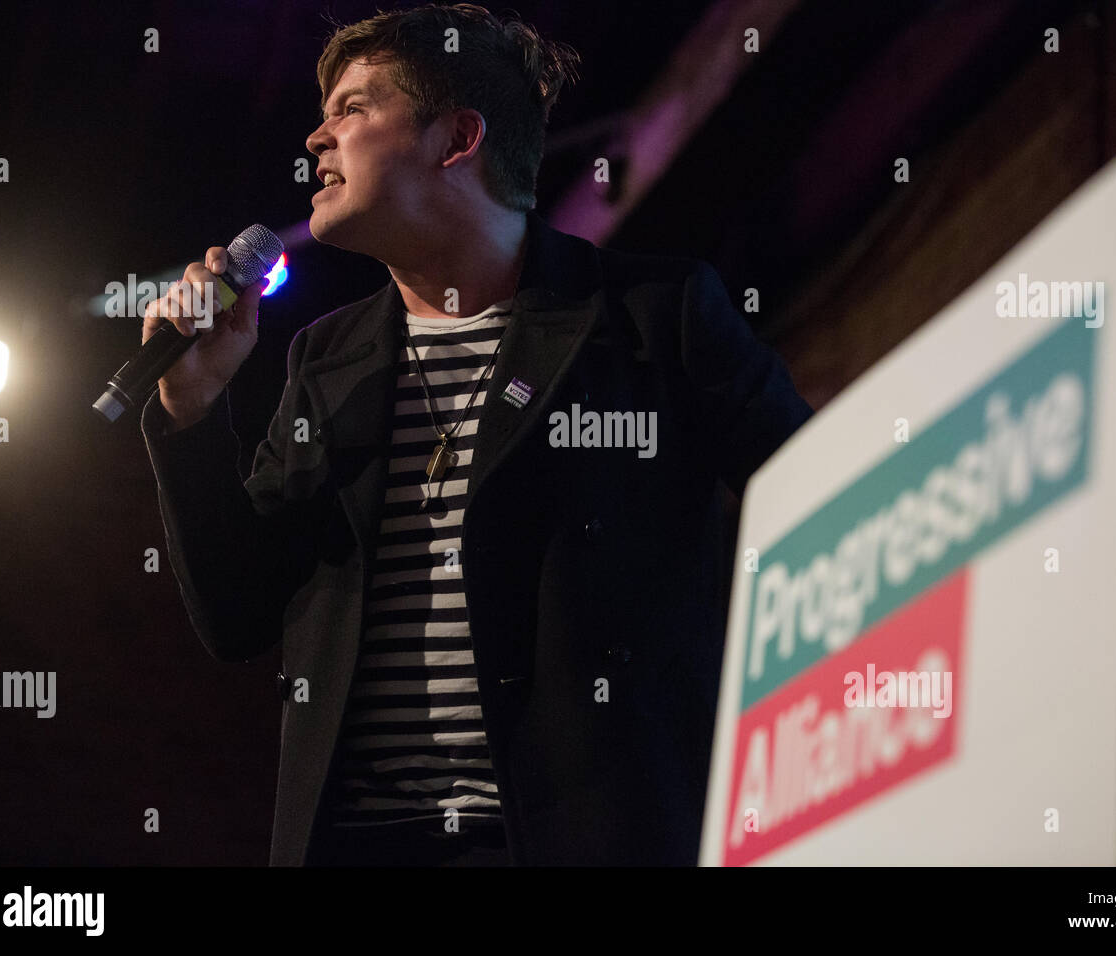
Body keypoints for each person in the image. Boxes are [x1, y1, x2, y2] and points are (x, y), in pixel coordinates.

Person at [140, 2, 813, 866]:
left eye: (352, 109)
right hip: (363, 845)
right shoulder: (326, 357)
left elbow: (812, 498)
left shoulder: (653, 317)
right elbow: (237, 616)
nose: (316, 137)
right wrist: (192, 411)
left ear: (456, 139)